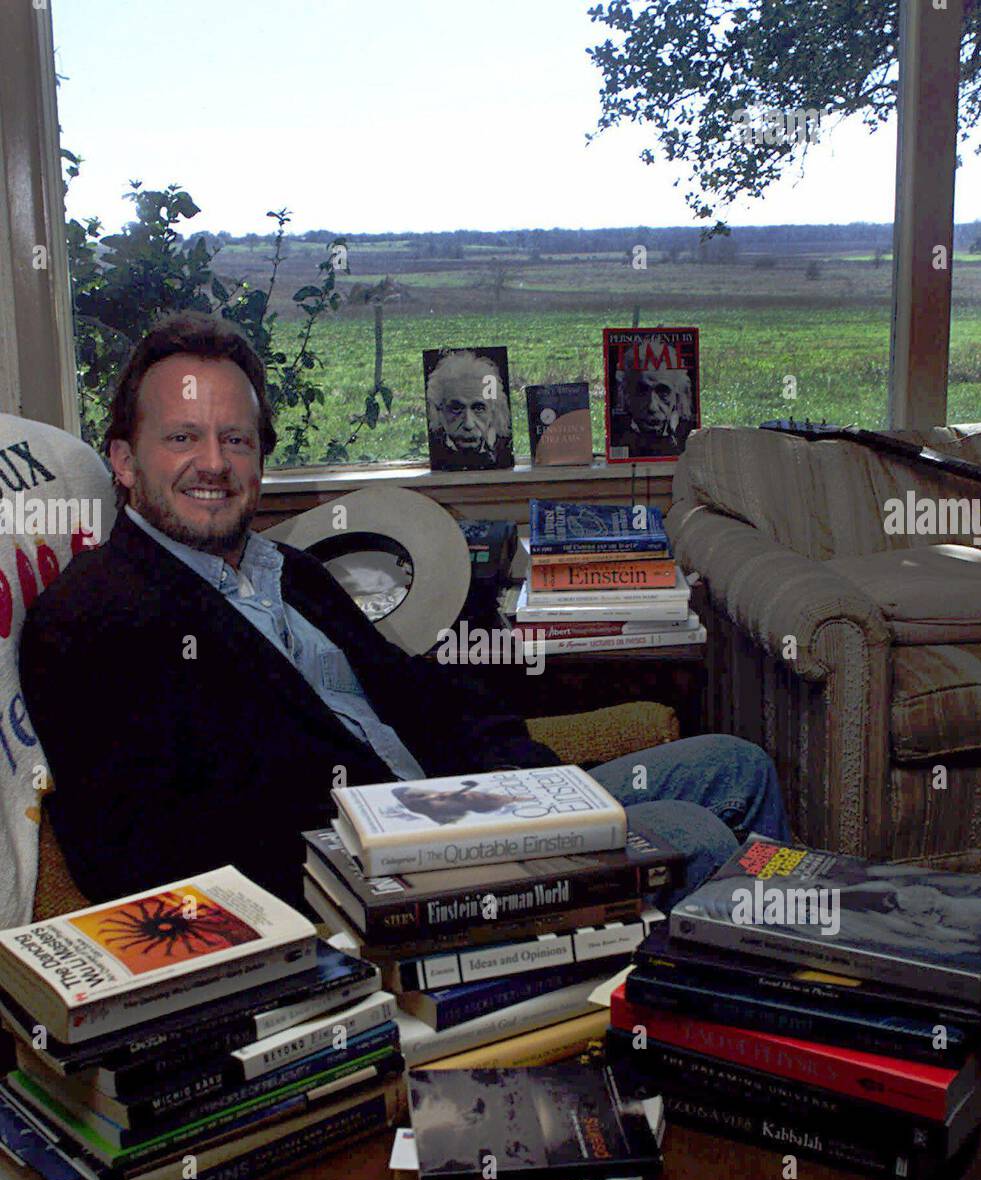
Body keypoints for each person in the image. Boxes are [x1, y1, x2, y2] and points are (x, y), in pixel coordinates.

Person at [19, 312, 789, 916]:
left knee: (734, 765)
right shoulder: (93, 619)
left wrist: (540, 798)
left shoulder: (287, 569)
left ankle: (755, 1002)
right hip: (371, 883)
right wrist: (403, 848)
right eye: (182, 438)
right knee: (692, 835)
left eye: (236, 439)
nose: (214, 464)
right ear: (122, 459)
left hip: (474, 813)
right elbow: (130, 861)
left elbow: (424, 697)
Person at [425, 349, 513, 469]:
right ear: (439, 412)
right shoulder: (436, 457)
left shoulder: (502, 457)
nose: (468, 424)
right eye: (456, 409)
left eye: (479, 409)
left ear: (493, 411)